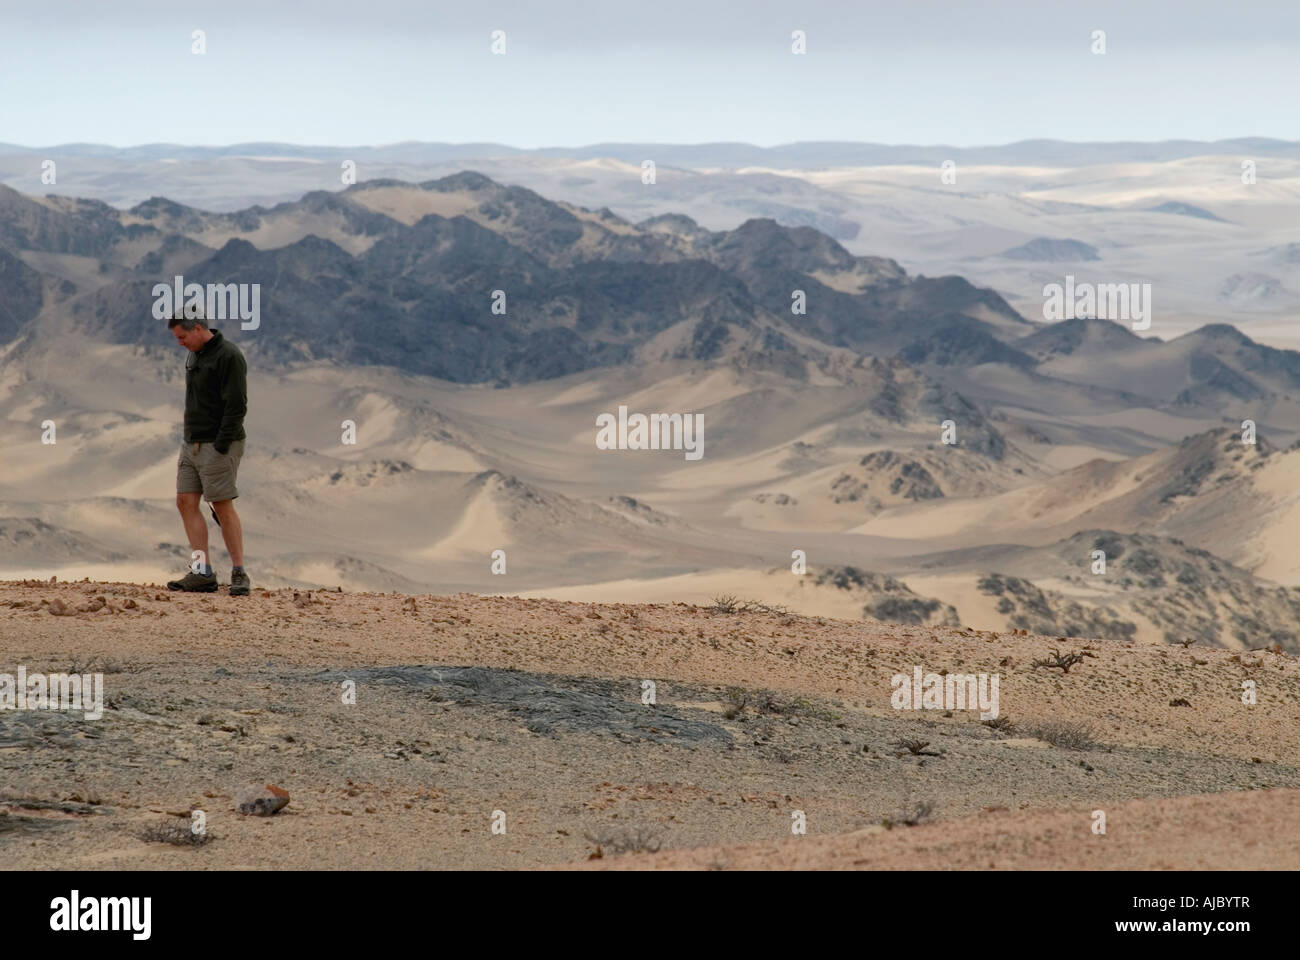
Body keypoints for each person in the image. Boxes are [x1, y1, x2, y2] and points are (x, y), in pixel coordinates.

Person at [165, 307, 250, 596]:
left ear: (199, 328)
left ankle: (239, 572)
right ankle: (202, 572)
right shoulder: (194, 355)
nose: (180, 343)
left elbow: (236, 405)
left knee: (221, 505)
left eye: (182, 336)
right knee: (184, 501)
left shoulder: (229, 356)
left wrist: (222, 445)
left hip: (218, 443)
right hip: (192, 443)